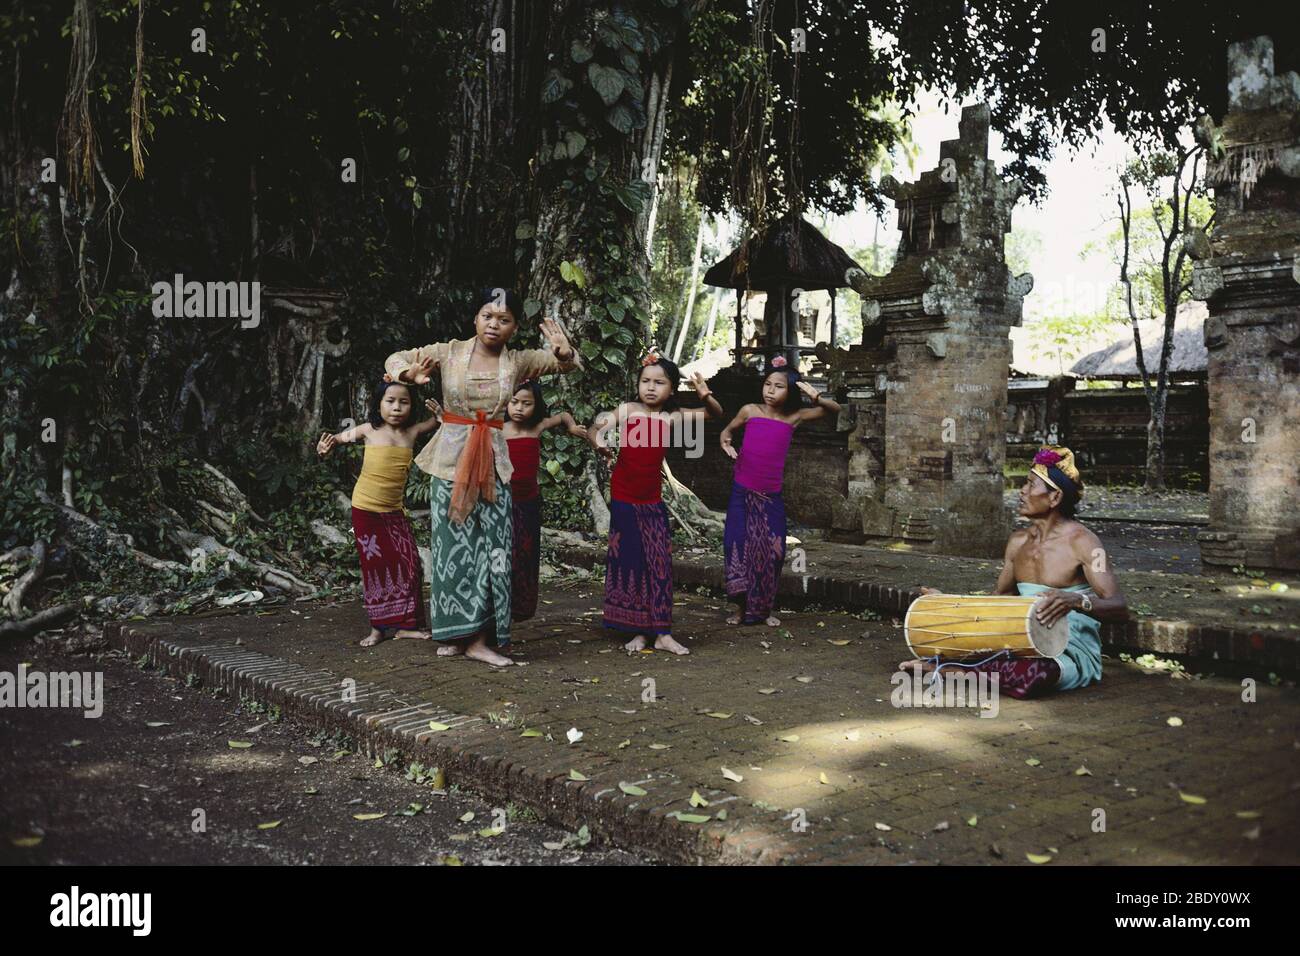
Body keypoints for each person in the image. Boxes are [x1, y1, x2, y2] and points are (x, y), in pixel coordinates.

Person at [384, 288, 580, 666]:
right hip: (450, 462)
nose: (494, 324)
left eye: (504, 320)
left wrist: (563, 351)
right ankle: (457, 633)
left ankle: (481, 638)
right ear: (475, 318)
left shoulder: (519, 361)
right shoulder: (449, 352)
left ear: (514, 327)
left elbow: (566, 365)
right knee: (451, 551)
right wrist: (408, 373)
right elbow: (395, 358)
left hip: (493, 462)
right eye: (488, 316)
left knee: (493, 549)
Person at [899, 446, 1128, 698]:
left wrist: (1076, 600)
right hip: (1018, 640)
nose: (1022, 491)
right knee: (961, 642)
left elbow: (1118, 607)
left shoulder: (1085, 542)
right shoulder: (1018, 542)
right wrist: (951, 604)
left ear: (1054, 498)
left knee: (1033, 676)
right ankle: (957, 666)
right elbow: (1000, 597)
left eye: (1031, 485)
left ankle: (951, 671)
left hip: (1067, 649)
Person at [590, 351, 722, 655]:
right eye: (645, 381)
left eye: (659, 383)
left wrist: (705, 394)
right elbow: (596, 429)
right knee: (630, 560)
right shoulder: (627, 410)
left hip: (651, 500)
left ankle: (662, 632)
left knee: (659, 563)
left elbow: (714, 414)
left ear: (672, 389)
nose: (650, 387)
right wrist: (600, 444)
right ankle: (638, 631)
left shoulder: (672, 416)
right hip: (623, 495)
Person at [719, 355, 842, 626]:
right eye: (767, 384)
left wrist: (816, 395)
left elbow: (835, 410)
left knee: (773, 551)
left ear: (792, 391)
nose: (770, 390)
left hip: (771, 496)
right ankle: (740, 609)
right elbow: (727, 431)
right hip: (743, 493)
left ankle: (763, 610)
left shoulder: (794, 417)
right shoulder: (750, 410)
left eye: (779, 386)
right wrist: (726, 442)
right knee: (736, 546)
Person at [316, 381, 441, 647]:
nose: (396, 407)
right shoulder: (368, 430)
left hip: (394, 511)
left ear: (411, 406)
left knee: (410, 564)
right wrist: (326, 447)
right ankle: (377, 628)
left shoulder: (413, 431)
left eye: (403, 402)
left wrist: (440, 413)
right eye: (390, 401)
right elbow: (338, 439)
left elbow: (437, 422)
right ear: (379, 404)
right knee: (375, 569)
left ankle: (407, 627)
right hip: (365, 510)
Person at [503, 378, 588, 622]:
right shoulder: (497, 428)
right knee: (504, 553)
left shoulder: (537, 427)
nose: (519, 408)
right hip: (502, 502)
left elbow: (562, 416)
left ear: (536, 405)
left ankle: (522, 605)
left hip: (528, 502)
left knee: (526, 553)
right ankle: (500, 602)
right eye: (514, 402)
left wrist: (572, 427)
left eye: (526, 404)